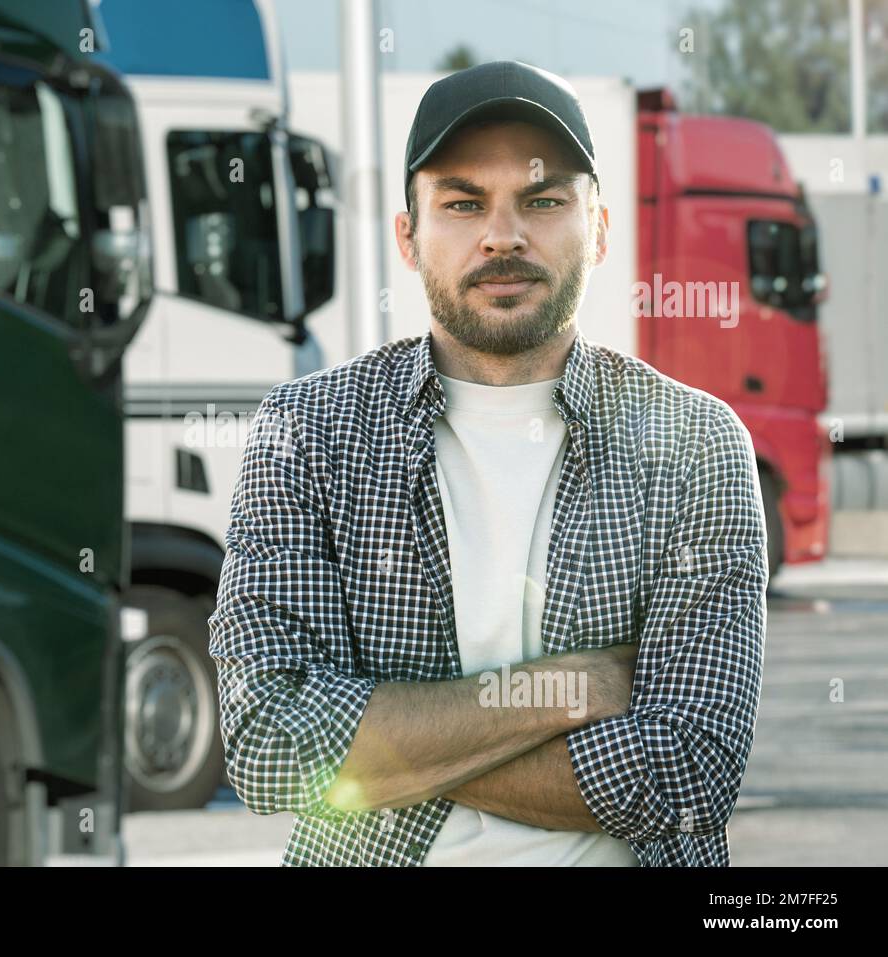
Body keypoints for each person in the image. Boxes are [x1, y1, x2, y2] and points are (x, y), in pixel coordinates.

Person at [207, 60, 768, 866]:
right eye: (464, 202)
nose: (502, 235)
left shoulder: (695, 442)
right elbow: (269, 744)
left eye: (542, 201)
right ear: (408, 235)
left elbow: (689, 775)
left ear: (599, 229)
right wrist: (573, 688)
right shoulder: (308, 432)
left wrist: (393, 744)